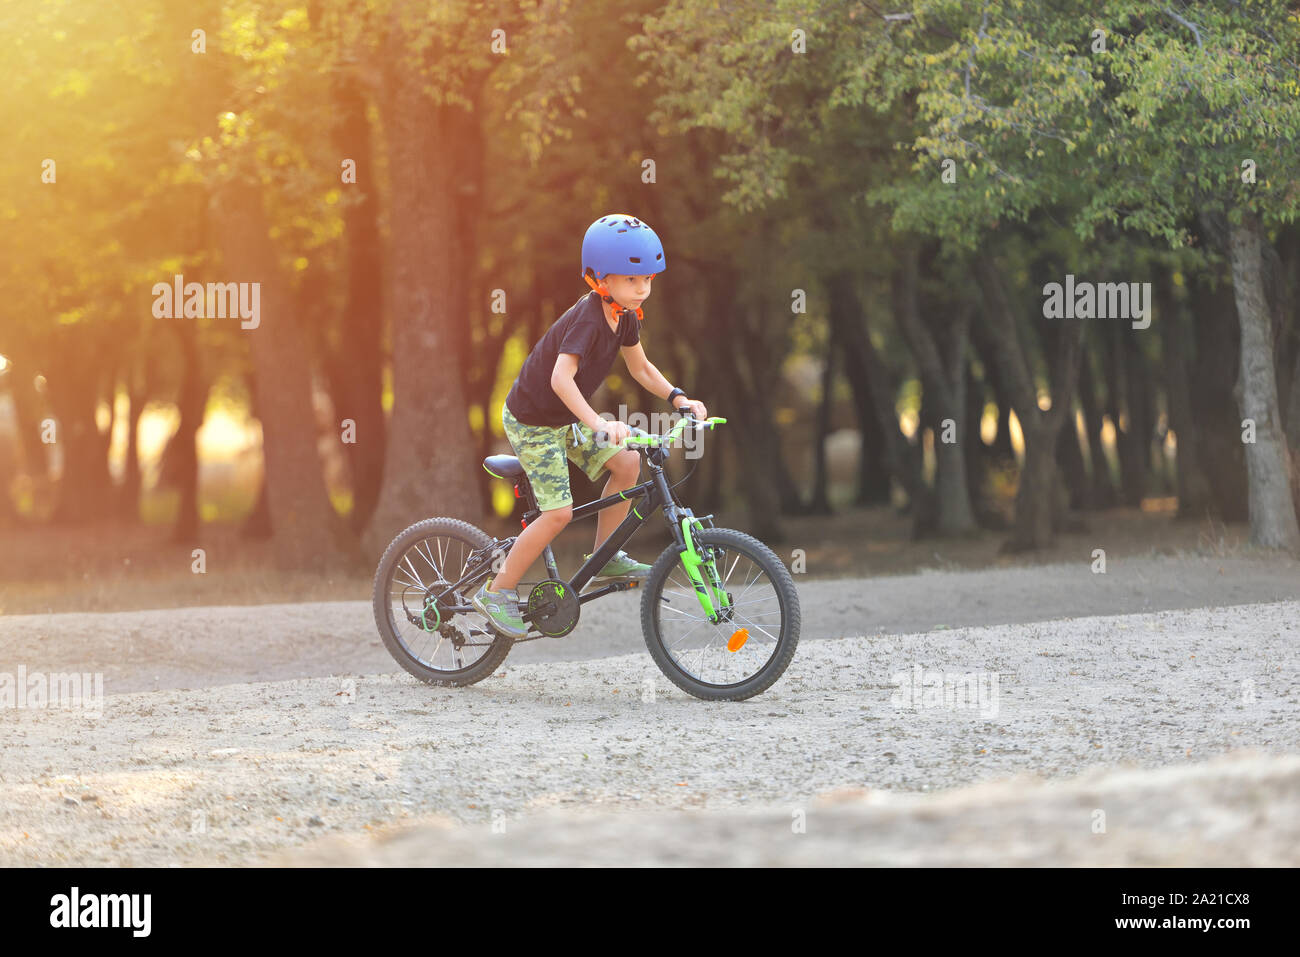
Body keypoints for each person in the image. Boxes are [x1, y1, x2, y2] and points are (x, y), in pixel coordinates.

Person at [472, 213, 708, 638]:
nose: (643, 289)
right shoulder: (588, 317)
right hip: (533, 421)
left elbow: (641, 369)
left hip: (564, 418)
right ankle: (497, 590)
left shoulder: (627, 317)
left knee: (628, 464)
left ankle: (606, 555)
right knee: (558, 512)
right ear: (600, 279)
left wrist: (678, 397)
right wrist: (598, 421)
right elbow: (559, 379)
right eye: (633, 279)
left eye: (648, 280)